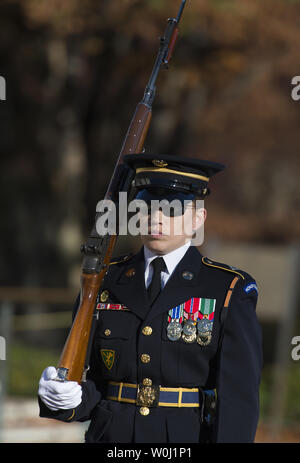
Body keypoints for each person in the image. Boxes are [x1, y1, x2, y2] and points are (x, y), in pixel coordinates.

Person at [38, 154, 263, 443]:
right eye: (146, 207)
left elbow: (238, 398)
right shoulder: (104, 281)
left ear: (198, 218)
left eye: (171, 209)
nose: (156, 218)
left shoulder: (227, 288)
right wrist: (64, 400)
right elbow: (98, 387)